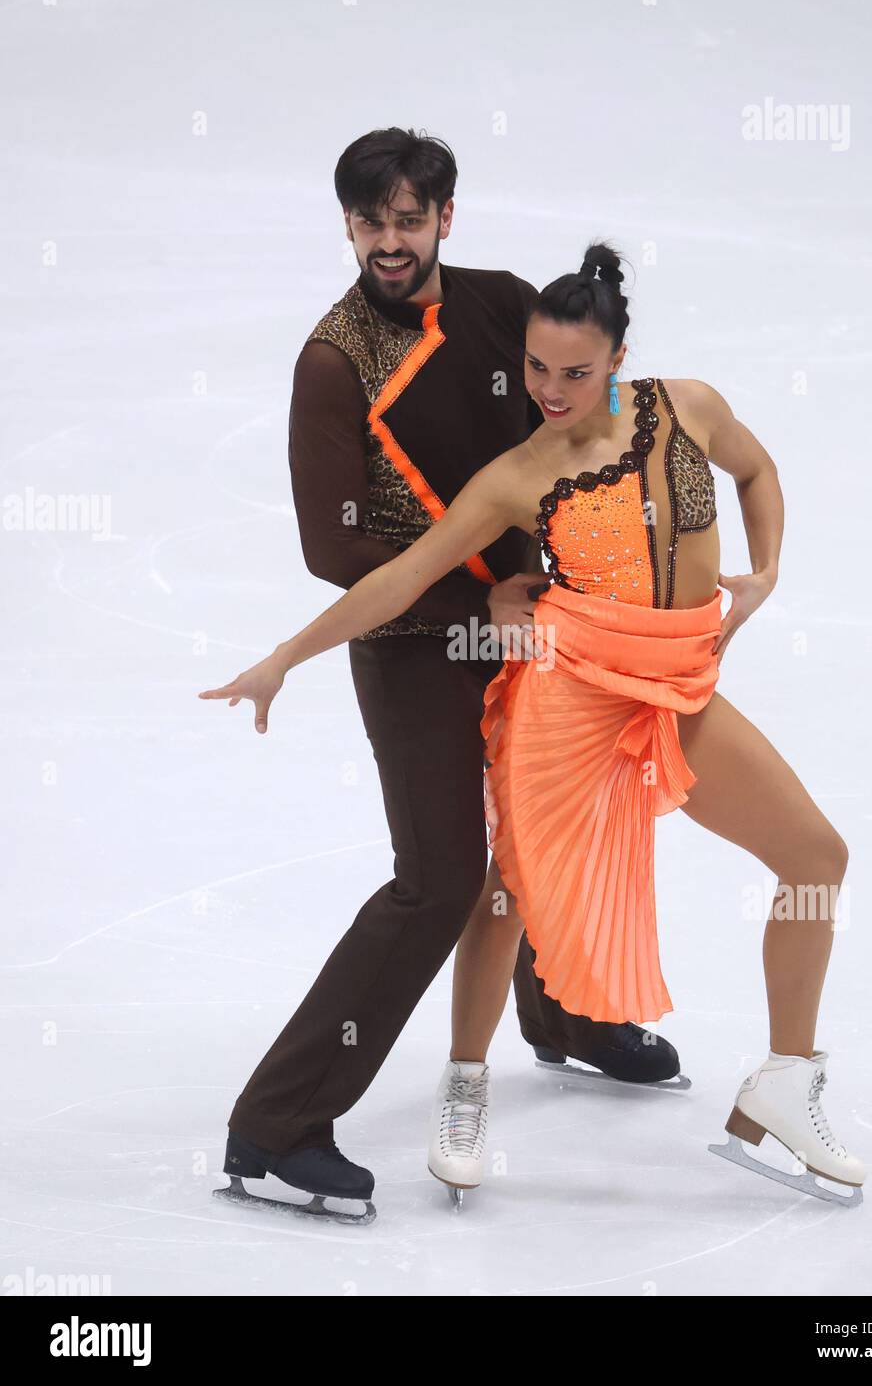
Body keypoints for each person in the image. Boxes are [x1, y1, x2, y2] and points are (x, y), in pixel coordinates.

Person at [201, 238, 868, 1210]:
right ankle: (465, 1082)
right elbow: (399, 576)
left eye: (575, 371)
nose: (551, 390)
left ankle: (784, 1083)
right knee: (505, 887)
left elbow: (756, 471)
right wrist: (282, 659)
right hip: (571, 694)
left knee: (815, 854)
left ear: (619, 360)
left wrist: (763, 573)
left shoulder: (690, 408)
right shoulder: (518, 474)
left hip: (674, 689)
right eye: (538, 370)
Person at [212, 130, 681, 1227]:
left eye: (409, 219)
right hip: (417, 639)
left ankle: (563, 1014)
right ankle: (276, 1123)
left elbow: (572, 426)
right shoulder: (333, 363)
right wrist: (477, 603)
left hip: (537, 619)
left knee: (555, 824)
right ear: (348, 226)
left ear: (445, 219)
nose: (390, 240)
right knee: (440, 880)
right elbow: (333, 550)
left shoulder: (502, 303)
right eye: (371, 221)